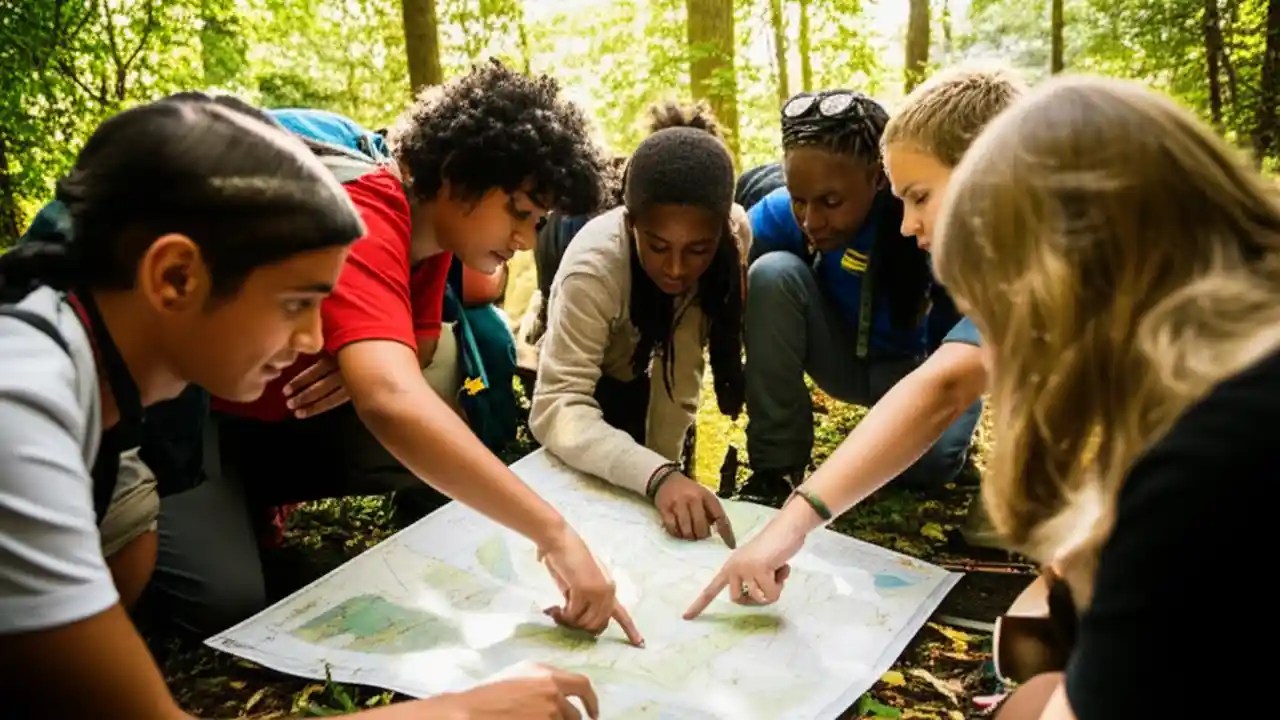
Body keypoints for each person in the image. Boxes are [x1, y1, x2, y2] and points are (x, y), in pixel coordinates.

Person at [0, 93, 602, 720]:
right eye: (296, 303)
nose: (317, 338)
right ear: (175, 276)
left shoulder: (63, 368)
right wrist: (466, 712)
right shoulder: (19, 414)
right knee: (150, 562)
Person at [150, 61, 643, 649]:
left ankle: (242, 504)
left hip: (250, 410)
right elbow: (389, 398)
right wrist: (555, 533)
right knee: (220, 601)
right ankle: (172, 511)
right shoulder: (368, 207)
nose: (525, 239)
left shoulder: (428, 233)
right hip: (175, 412)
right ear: (460, 173)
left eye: (537, 223)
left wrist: (357, 351)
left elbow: (422, 347)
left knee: (436, 402)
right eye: (518, 212)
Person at [933, 75, 1277, 720]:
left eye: (991, 314)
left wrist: (1105, 577)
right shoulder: (1238, 374)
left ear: (1060, 285)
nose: (995, 359)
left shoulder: (1206, 464)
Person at [685, 65, 1024, 616]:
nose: (909, 224)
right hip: (864, 363)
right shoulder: (1010, 250)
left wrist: (791, 527)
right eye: (903, 200)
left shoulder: (1039, 260)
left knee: (930, 460)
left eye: (918, 197)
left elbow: (946, 386)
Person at [734, 88, 979, 505]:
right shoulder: (784, 215)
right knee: (771, 274)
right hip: (842, 356)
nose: (812, 220)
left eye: (831, 202)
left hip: (923, 371)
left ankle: (939, 441)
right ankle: (776, 466)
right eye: (799, 200)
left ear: (877, 177)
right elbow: (720, 268)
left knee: (926, 466)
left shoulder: (927, 222)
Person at [528, 109, 750, 544]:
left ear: (722, 234)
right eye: (658, 245)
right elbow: (557, 405)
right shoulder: (592, 271)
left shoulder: (737, 233)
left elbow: (685, 349)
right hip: (605, 376)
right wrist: (657, 476)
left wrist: (667, 470)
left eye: (699, 250)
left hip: (655, 376)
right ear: (630, 225)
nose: (675, 269)